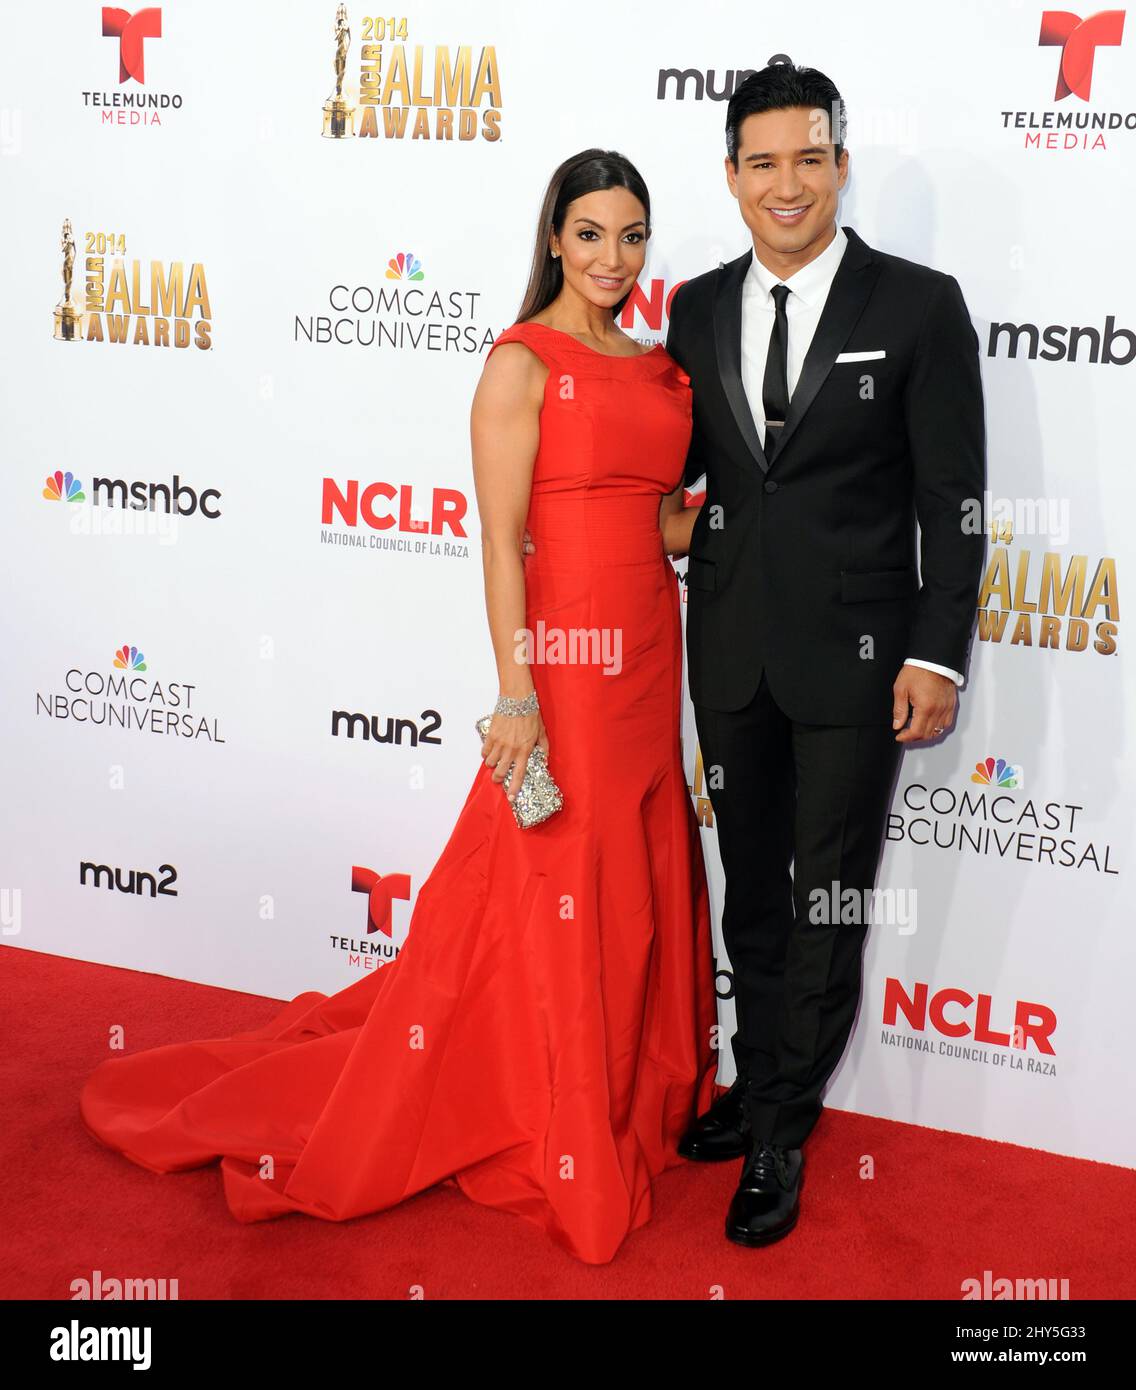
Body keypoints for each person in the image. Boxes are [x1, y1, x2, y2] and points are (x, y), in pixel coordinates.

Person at [78, 149, 718, 1267]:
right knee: (561, 878)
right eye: (588, 235)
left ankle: (617, 1103)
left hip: (645, 660)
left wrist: (751, 517)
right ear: (552, 240)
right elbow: (502, 540)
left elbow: (655, 524)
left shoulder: (663, 373)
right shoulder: (520, 365)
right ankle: (556, 1122)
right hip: (562, 666)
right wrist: (516, 689)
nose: (611, 259)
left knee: (628, 882)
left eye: (629, 236)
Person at [664, 63, 986, 1246]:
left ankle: (779, 1133)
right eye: (761, 162)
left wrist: (935, 655)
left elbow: (952, 496)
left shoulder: (916, 304)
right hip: (731, 650)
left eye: (808, 157)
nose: (785, 183)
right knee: (749, 884)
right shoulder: (692, 306)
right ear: (732, 176)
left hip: (860, 662)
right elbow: (693, 474)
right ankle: (756, 1080)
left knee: (826, 893)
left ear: (839, 164)